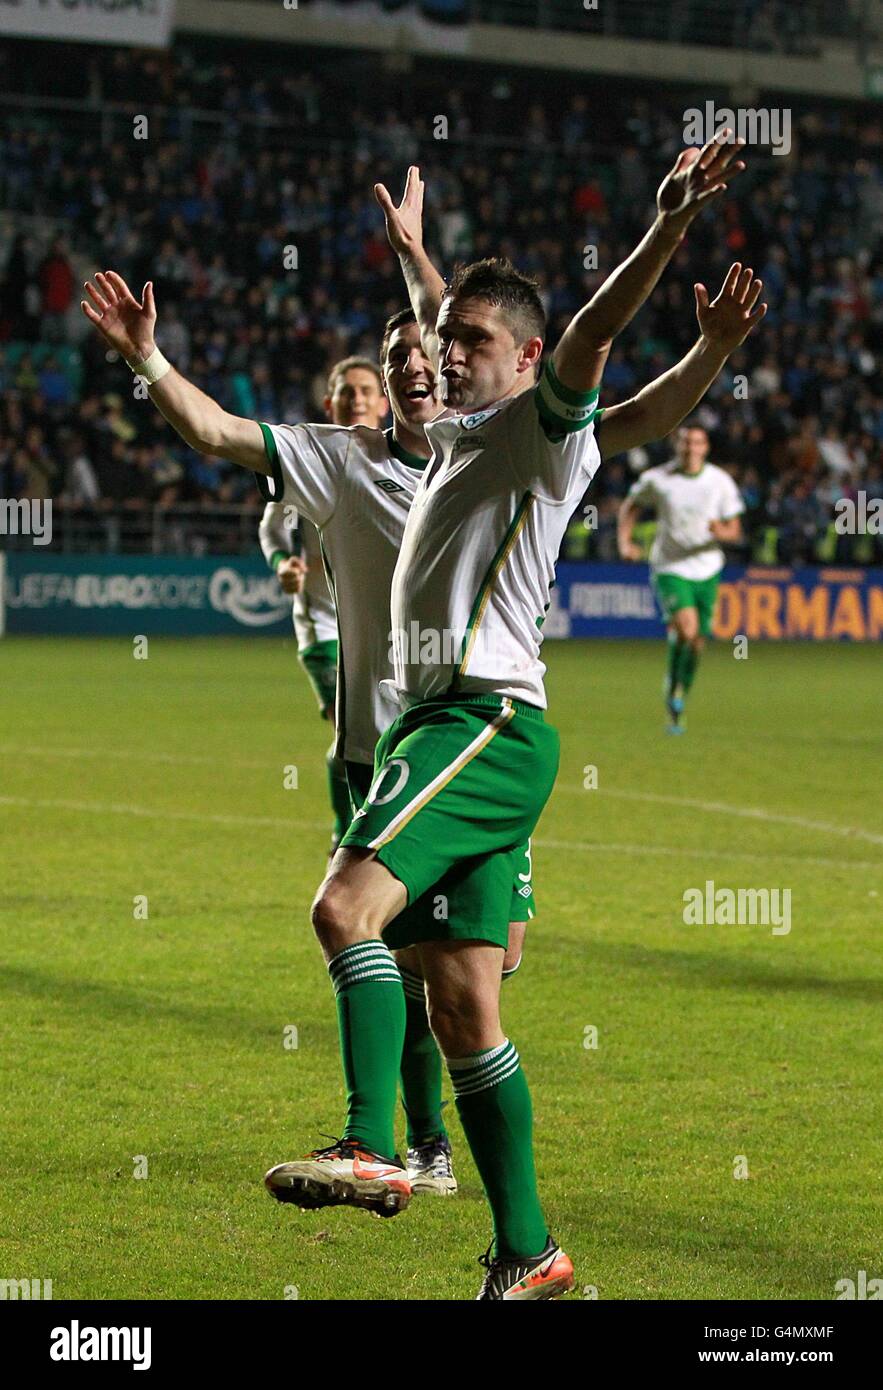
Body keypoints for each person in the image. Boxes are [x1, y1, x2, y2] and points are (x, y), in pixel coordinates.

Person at [259, 357, 389, 857]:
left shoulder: (406, 459)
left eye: (364, 390)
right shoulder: (311, 460)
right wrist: (281, 563)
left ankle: (369, 835)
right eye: (346, 391)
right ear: (330, 403)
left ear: (382, 401)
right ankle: (351, 837)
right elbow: (273, 526)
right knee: (353, 729)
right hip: (323, 627)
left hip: (388, 634)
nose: (356, 399)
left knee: (383, 735)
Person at [618, 412, 747, 732]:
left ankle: (678, 694)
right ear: (677, 444)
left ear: (706, 448)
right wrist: (625, 541)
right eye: (686, 441)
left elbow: (735, 531)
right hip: (670, 566)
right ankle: (674, 687)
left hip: (708, 568)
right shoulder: (658, 479)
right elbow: (630, 506)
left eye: (698, 442)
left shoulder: (720, 482)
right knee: (688, 630)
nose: (691, 447)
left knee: (696, 641)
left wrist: (722, 532)